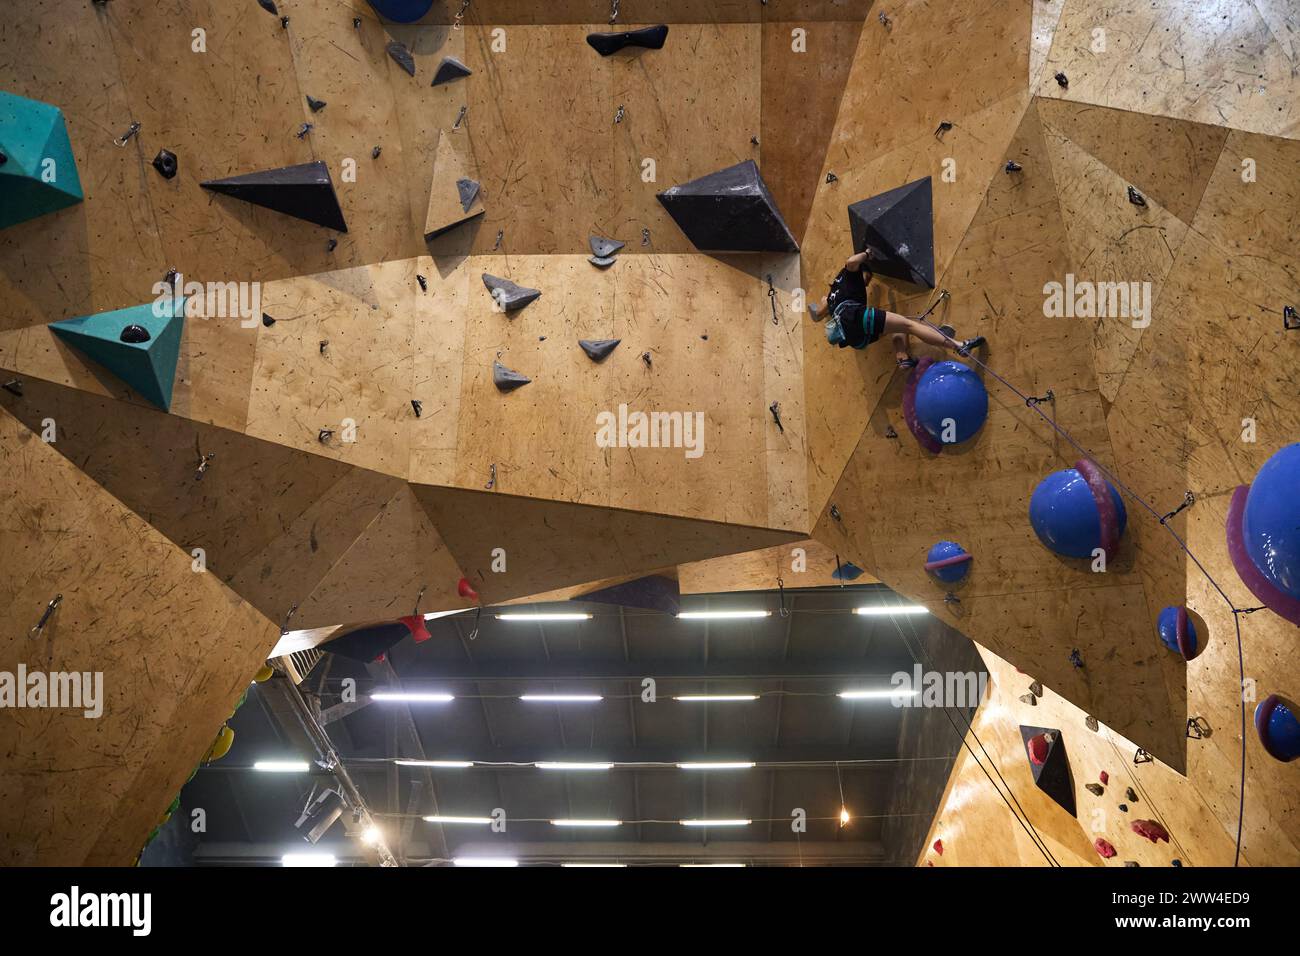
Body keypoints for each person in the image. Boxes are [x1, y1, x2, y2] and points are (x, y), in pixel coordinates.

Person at [817, 250, 984, 367]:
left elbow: (820, 310)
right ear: (862, 271)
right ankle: (959, 345)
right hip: (857, 317)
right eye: (867, 279)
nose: (866, 284)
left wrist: (820, 308)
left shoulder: (833, 295)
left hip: (856, 339)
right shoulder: (850, 273)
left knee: (898, 327)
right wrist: (868, 254)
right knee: (910, 326)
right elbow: (851, 262)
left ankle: (902, 357)